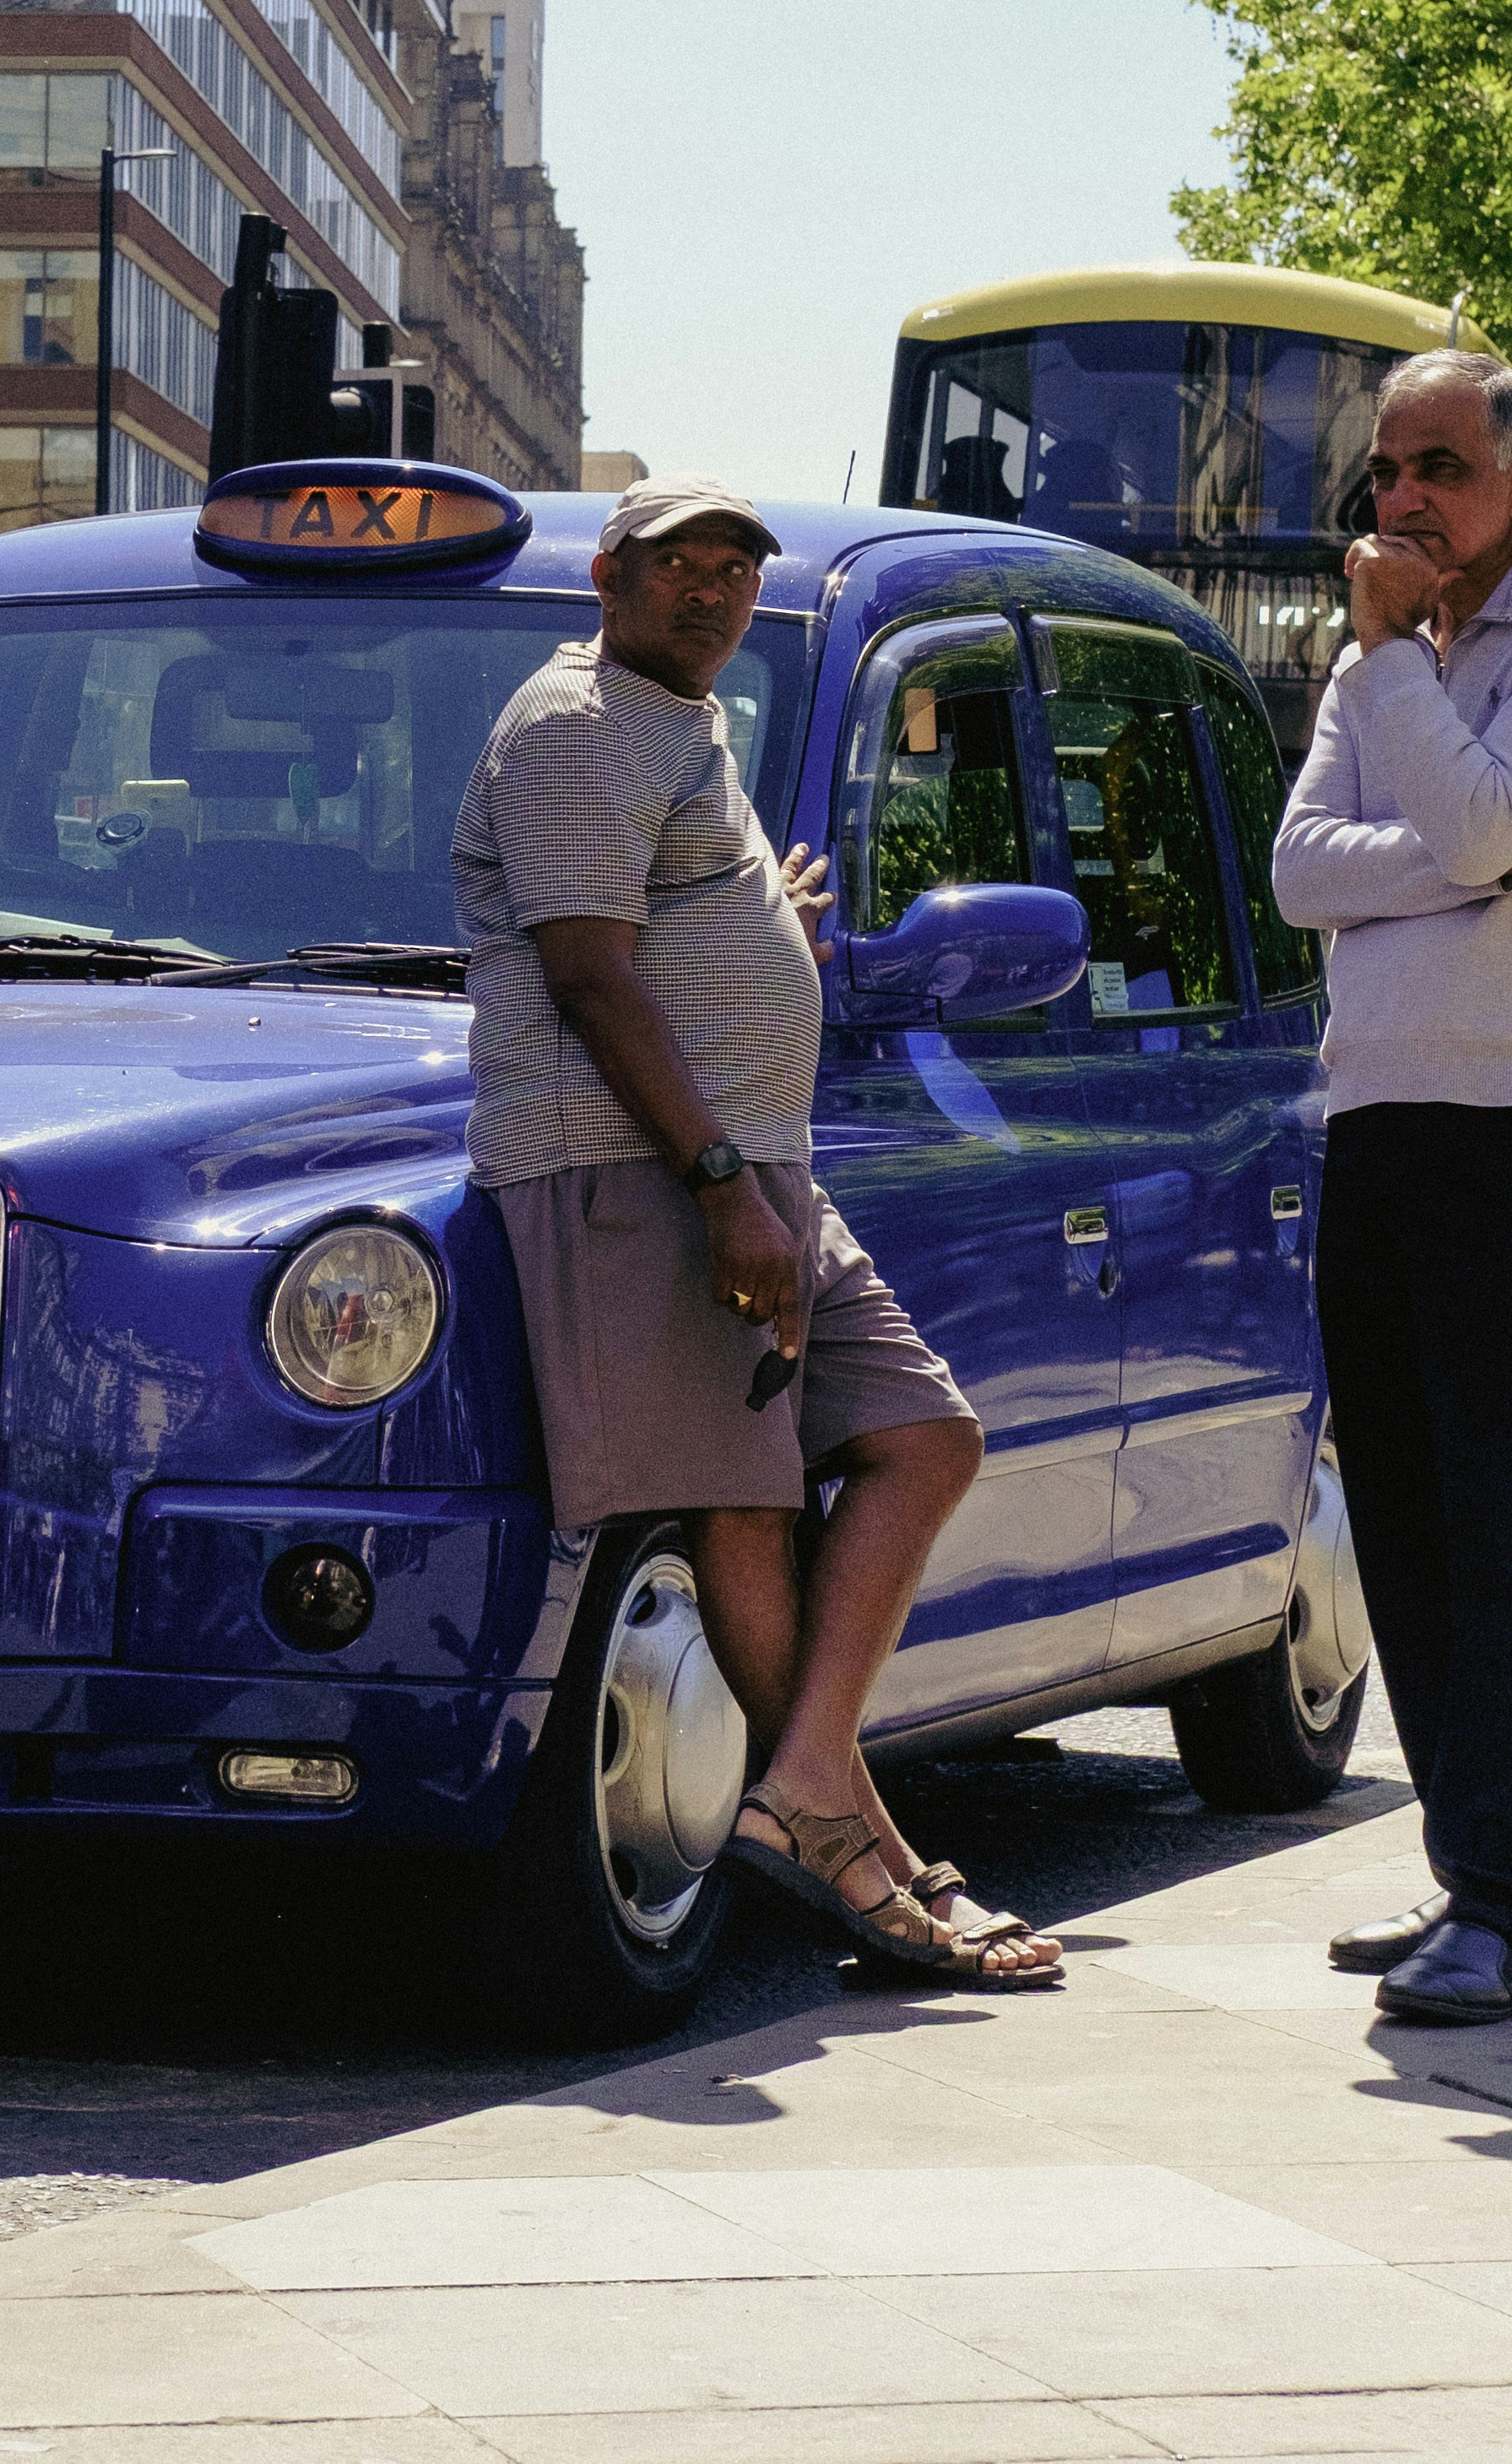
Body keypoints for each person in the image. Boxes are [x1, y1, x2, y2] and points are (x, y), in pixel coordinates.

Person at [452, 475, 1063, 1988]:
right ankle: (859, 1846)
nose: (714, 589)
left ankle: (808, 1798)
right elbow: (589, 974)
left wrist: (760, 919)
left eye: (736, 568)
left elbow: (657, 919)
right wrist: (722, 1184)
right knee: (743, 1500)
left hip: (753, 1171)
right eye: (682, 564)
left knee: (925, 1434)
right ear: (610, 575)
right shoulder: (576, 721)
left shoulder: (679, 725)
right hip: (652, 1175)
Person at [1276, 350, 1512, 2027]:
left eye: (1438, 465)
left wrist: (1411, 713)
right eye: (1385, 468)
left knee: (1506, 1518)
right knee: (1409, 1514)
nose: (1403, 497)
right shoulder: (1385, 659)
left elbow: (1486, 813)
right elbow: (1303, 872)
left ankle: (1502, 1906)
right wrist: (1490, 857)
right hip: (1378, 1110)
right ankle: (1499, 1879)